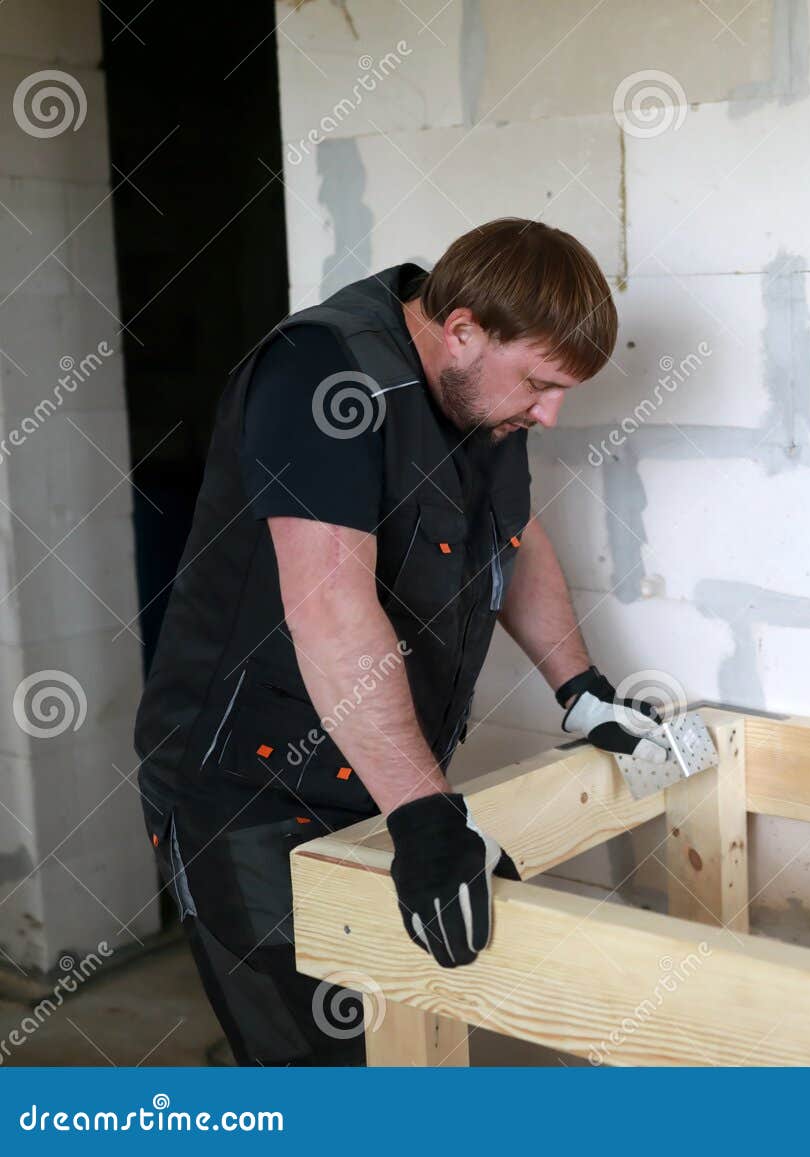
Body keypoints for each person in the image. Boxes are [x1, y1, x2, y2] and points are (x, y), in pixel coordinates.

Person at [133, 218, 670, 1065]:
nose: (551, 412)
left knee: (393, 1036)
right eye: (538, 382)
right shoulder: (322, 375)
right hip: (243, 791)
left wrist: (582, 690)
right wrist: (424, 816)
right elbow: (332, 612)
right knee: (319, 1062)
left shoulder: (480, 401)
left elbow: (513, 537)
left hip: (373, 768)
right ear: (461, 330)